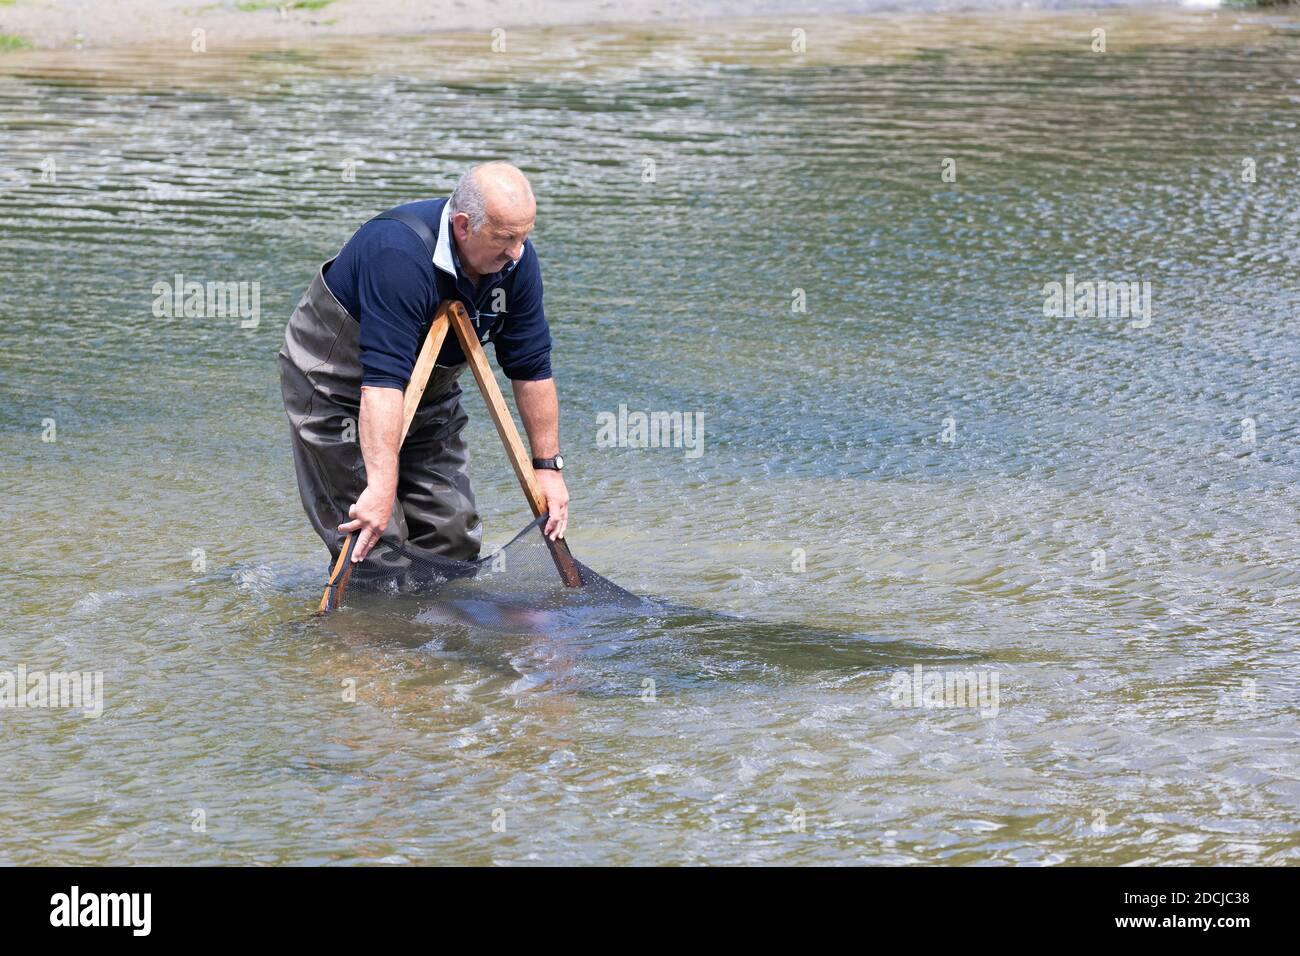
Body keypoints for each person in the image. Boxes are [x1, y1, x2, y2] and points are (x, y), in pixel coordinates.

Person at [278, 161, 569, 566]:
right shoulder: (397, 253)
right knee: (378, 544)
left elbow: (531, 367)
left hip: (430, 389)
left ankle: (435, 628)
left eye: (524, 236)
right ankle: (370, 625)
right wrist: (380, 488)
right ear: (464, 225)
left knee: (452, 535)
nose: (517, 251)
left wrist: (548, 468)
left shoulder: (515, 262)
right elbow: (381, 381)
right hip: (338, 387)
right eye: (505, 238)